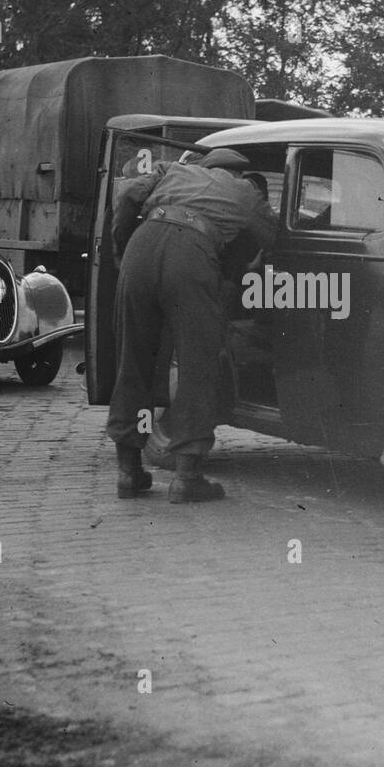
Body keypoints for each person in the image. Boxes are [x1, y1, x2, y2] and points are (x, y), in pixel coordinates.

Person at [107, 146, 277, 502]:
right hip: (191, 253)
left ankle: (128, 472)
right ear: (238, 172)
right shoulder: (244, 190)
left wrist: (122, 247)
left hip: (143, 244)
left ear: (205, 165)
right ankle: (187, 478)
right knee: (197, 366)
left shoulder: (170, 170)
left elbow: (128, 195)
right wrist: (241, 269)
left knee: (134, 361)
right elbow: (273, 238)